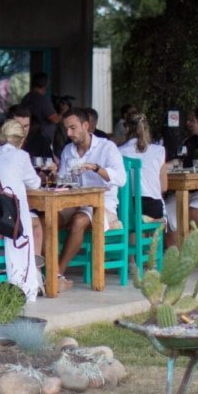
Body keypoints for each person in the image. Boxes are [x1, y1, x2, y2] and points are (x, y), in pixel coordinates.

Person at [53, 107, 126, 283]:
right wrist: (54, 174)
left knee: (79, 220)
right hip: (74, 203)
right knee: (47, 219)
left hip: (103, 205)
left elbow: (121, 179)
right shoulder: (68, 150)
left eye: (73, 128)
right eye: (66, 129)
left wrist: (96, 168)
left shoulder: (107, 147)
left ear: (86, 125)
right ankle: (46, 268)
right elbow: (62, 182)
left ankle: (56, 274)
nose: (69, 133)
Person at [0, 118, 44, 301]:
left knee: (30, 220)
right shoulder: (22, 156)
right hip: (9, 219)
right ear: (21, 139)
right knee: (35, 224)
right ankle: (30, 277)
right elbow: (35, 183)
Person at [117, 110, 167, 222]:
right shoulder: (159, 151)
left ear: (127, 128)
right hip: (152, 207)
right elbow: (164, 187)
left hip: (127, 208)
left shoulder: (118, 152)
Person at [20, 71, 59, 146]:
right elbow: (55, 119)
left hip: (27, 137)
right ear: (45, 85)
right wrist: (64, 112)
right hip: (42, 139)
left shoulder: (26, 98)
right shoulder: (42, 100)